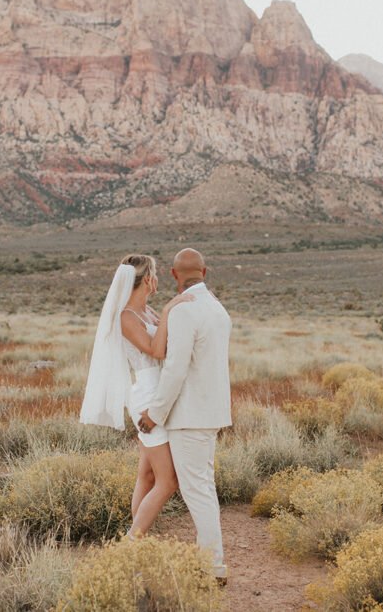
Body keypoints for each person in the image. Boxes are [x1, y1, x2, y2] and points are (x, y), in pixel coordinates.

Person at [79, 254, 194, 538]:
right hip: (148, 398)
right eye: (155, 274)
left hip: (160, 392)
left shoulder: (147, 311)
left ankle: (138, 538)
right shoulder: (127, 317)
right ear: (147, 279)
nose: (158, 279)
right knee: (168, 481)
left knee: (147, 475)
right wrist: (169, 310)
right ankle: (133, 540)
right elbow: (155, 350)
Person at [138, 248, 232, 584]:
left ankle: (213, 566)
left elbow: (175, 368)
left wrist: (155, 413)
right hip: (211, 412)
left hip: (189, 415)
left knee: (197, 491)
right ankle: (212, 562)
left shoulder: (183, 310)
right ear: (204, 272)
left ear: (174, 274)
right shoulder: (218, 309)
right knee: (203, 487)